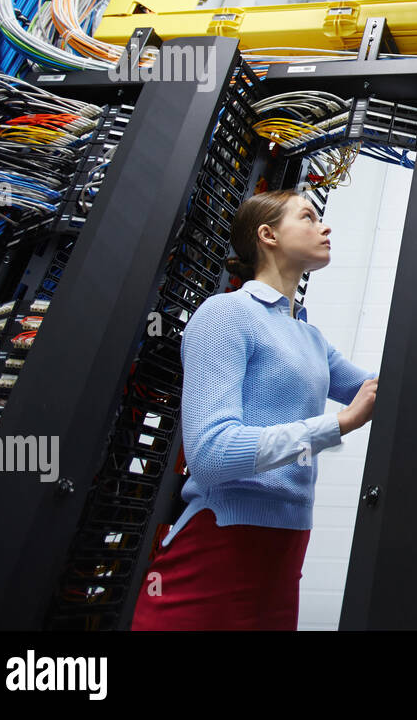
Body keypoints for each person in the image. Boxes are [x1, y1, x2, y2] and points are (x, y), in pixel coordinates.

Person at [131, 187, 378, 630]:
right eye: (307, 216)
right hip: (221, 545)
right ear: (268, 235)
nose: (325, 226)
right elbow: (211, 453)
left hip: (285, 549)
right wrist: (337, 424)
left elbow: (379, 389)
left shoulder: (310, 338)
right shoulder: (225, 315)